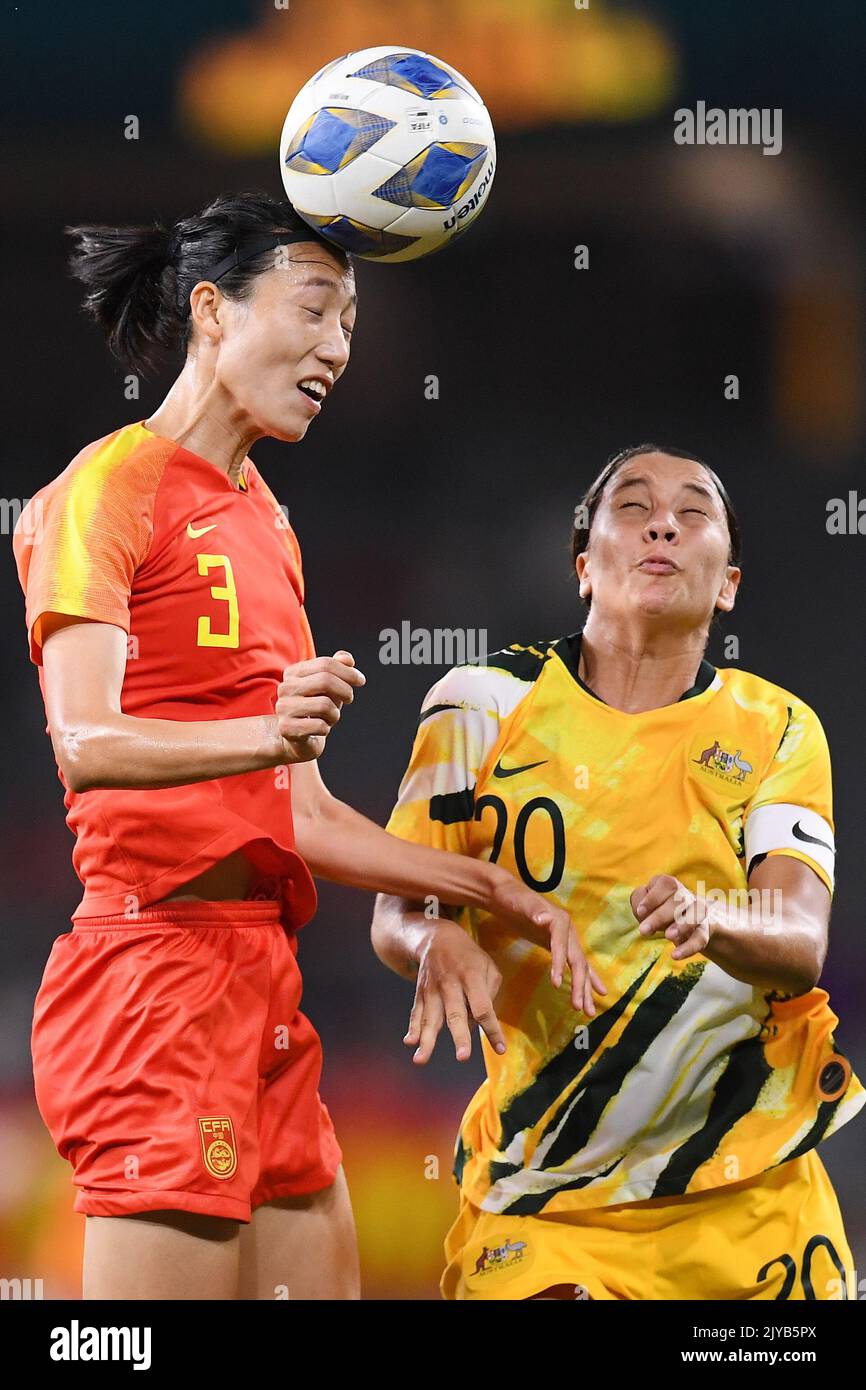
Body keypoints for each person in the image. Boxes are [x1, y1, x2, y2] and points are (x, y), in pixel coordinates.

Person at [13, 192, 591, 1301]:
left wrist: (494, 893)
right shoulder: (104, 492)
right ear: (213, 311)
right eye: (316, 308)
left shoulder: (267, 521)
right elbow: (82, 742)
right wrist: (260, 733)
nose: (334, 348)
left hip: (261, 981)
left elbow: (307, 812)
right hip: (149, 978)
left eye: (352, 328)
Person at [373, 443, 865, 1301]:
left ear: (728, 586)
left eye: (694, 511)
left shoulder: (780, 729)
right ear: (582, 568)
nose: (663, 523)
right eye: (632, 507)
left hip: (749, 1195)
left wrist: (712, 920)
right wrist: (431, 939)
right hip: (547, 1198)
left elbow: (799, 939)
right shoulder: (477, 708)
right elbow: (395, 912)